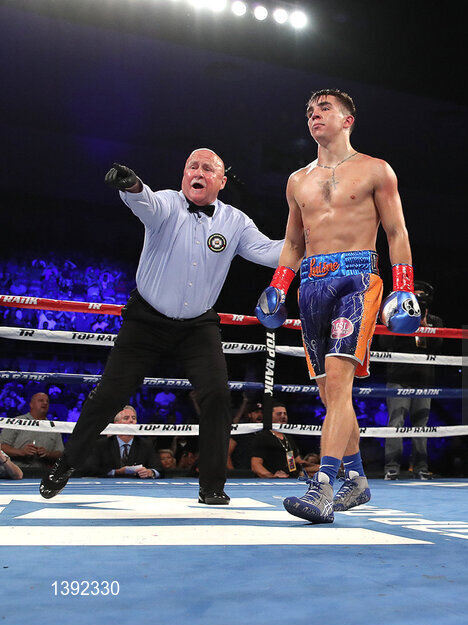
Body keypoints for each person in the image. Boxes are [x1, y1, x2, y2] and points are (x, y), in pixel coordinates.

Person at [39, 149, 284, 505]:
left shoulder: (235, 222)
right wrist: (133, 185)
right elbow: (145, 202)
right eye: (192, 167)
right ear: (184, 174)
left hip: (198, 324)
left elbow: (269, 252)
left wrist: (309, 240)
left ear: (221, 180)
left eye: (207, 168)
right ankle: (65, 465)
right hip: (146, 320)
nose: (197, 172)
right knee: (108, 396)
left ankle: (212, 486)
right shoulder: (167, 204)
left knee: (217, 395)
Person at [255, 89, 419, 523]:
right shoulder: (297, 180)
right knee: (330, 392)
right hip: (311, 282)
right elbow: (292, 242)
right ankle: (359, 480)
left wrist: (404, 287)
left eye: (324, 108)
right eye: (309, 111)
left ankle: (323, 485)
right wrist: (278, 286)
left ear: (348, 120)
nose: (314, 115)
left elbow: (397, 232)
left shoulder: (375, 170)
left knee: (341, 384)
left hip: (358, 278)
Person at [376, 280, 442, 480]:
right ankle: (392, 468)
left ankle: (421, 468)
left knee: (421, 426)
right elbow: (383, 342)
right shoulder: (396, 317)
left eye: (422, 295)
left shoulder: (435, 321)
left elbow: (438, 346)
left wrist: (424, 327)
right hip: (398, 379)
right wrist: (403, 325)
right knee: (395, 423)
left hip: (424, 380)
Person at [86, 405, 161, 479]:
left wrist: (151, 472)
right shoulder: (102, 444)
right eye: (126, 418)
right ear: (116, 424)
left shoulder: (145, 444)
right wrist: (116, 472)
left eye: (134, 418)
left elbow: (159, 469)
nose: (131, 420)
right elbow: (90, 470)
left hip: (137, 487)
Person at [1, 392, 64, 470]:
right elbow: (2, 447)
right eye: (41, 400)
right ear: (31, 404)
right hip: (15, 472)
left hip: (42, 473)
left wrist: (48, 454)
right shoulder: (16, 422)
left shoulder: (53, 427)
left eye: (47, 401)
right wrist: (21, 452)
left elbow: (60, 453)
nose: (45, 403)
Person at [250, 402, 307, 479]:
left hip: (289, 481)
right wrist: (272, 477)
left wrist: (320, 467)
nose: (283, 416)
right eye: (279, 414)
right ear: (270, 416)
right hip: (270, 484)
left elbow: (297, 463)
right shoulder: (263, 437)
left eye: (285, 414)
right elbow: (255, 465)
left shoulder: (287, 437)